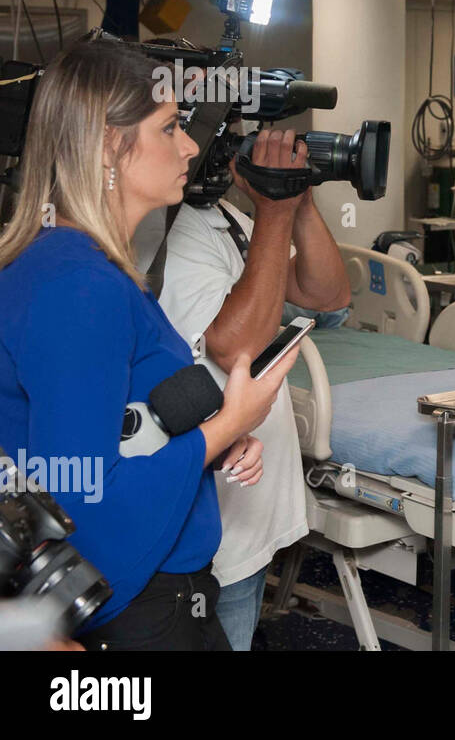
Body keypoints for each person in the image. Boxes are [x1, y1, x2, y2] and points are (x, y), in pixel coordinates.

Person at [0, 39, 297, 650]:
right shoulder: (80, 288)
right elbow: (87, 507)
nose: (189, 146)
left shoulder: (69, 266)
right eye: (168, 129)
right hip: (138, 614)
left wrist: (214, 445)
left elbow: (106, 433)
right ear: (111, 144)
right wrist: (228, 424)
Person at [135, 127, 351, 650]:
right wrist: (275, 213)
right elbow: (236, 349)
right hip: (211, 529)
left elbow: (328, 294)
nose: (189, 148)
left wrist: (296, 201)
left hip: (252, 507)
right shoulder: (164, 233)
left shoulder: (225, 216)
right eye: (170, 131)